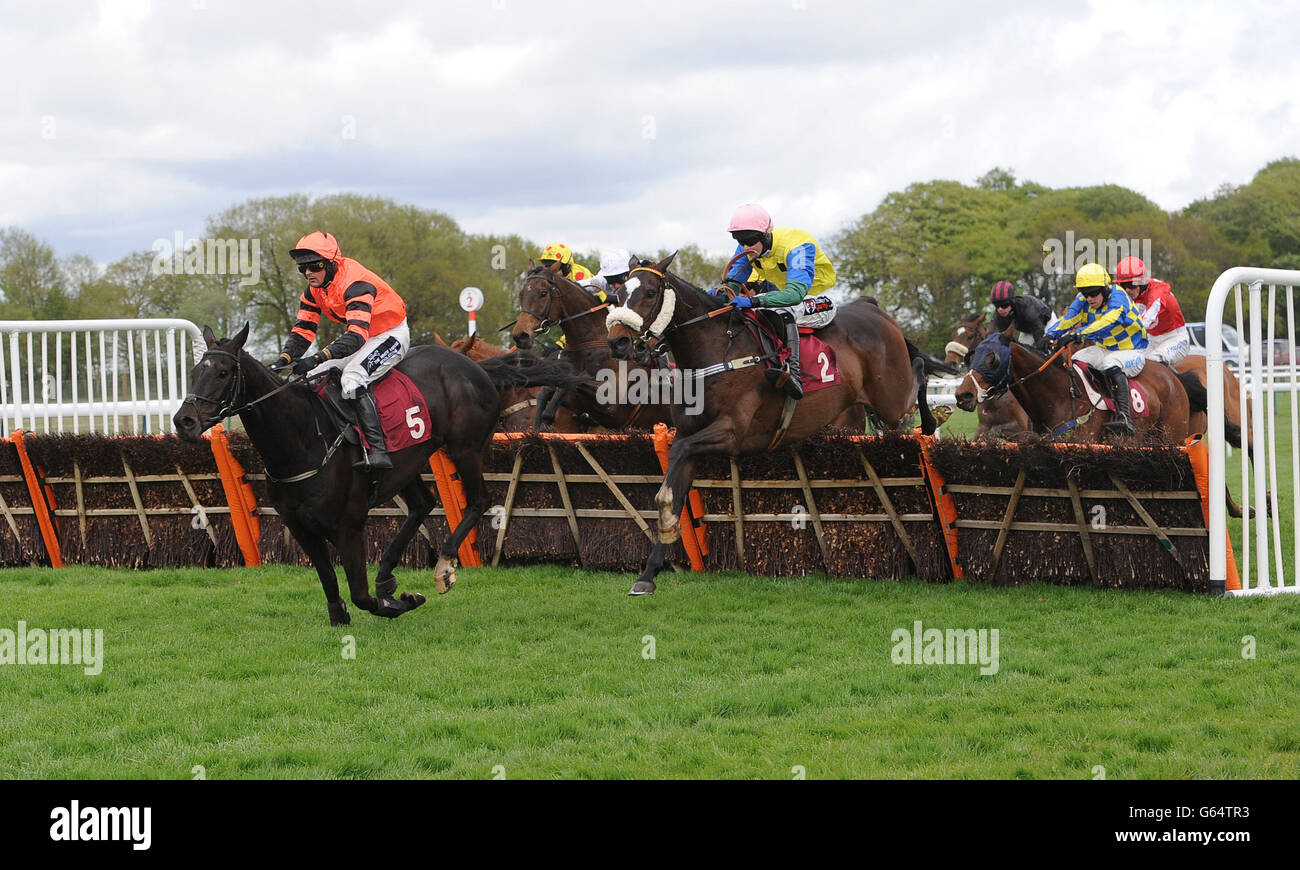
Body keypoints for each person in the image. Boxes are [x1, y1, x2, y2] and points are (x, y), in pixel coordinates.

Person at [275, 231, 410, 476]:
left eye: (314, 266)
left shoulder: (356, 284)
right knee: (313, 376)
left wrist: (317, 357)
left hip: (390, 334)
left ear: (331, 263)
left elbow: (356, 336)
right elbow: (304, 329)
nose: (308, 273)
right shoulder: (313, 290)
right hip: (364, 335)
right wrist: (283, 359)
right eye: (303, 268)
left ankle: (378, 450)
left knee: (352, 378)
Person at [712, 203, 837, 399]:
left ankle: (794, 375)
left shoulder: (797, 244)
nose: (745, 247)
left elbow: (795, 294)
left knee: (782, 312)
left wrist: (754, 301)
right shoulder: (747, 248)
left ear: (766, 233)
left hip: (818, 298)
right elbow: (732, 284)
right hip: (784, 296)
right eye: (739, 240)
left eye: (751, 240)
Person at [1046, 263, 1149, 437]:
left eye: (1093, 293)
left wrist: (1077, 334)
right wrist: (1049, 335)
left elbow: (1106, 322)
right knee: (1077, 360)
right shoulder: (1083, 300)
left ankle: (1124, 417)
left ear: (1105, 289)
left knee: (1110, 363)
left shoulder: (1118, 296)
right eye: (1085, 294)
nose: (1089, 299)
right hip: (1104, 349)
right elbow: (1067, 320)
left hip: (1132, 352)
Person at [1115, 255, 1189, 366]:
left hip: (1175, 339)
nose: (1127, 290)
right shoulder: (1130, 295)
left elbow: (1144, 322)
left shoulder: (1158, 292)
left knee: (1152, 362)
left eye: (1131, 285)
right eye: (1123, 286)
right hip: (1151, 340)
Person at [989, 280, 1056, 347]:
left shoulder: (1026, 306)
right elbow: (1004, 339)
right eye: (997, 305)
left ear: (1012, 301)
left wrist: (1038, 346)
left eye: (1004, 305)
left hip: (1046, 323)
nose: (1000, 309)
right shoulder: (998, 316)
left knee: (1043, 348)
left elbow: (1038, 330)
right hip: (1027, 330)